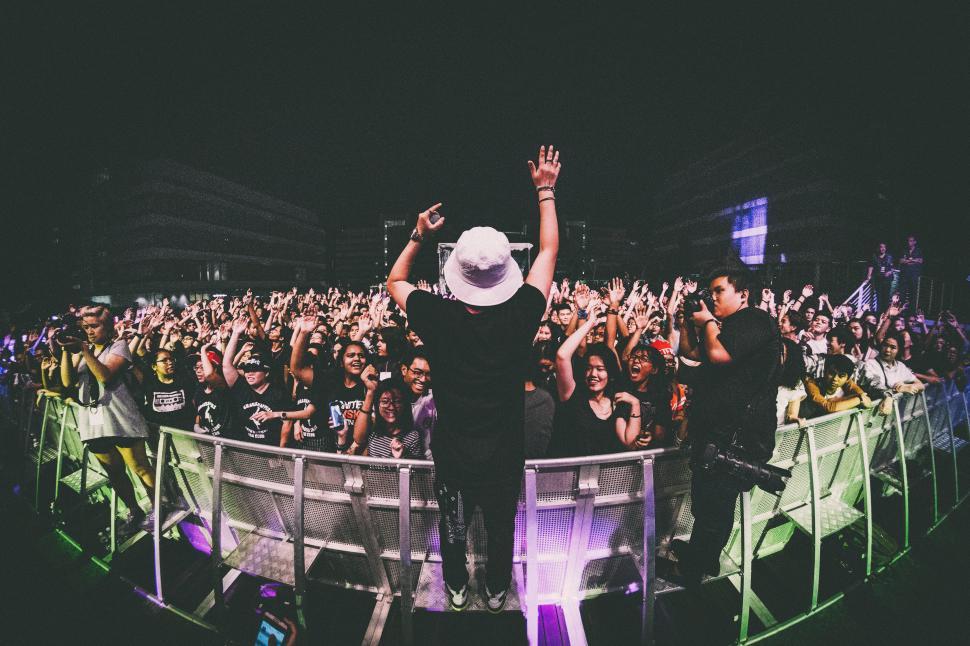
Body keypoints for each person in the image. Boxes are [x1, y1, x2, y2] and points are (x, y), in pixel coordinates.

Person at [385, 145, 560, 612]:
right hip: (504, 454)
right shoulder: (520, 315)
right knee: (502, 528)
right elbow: (548, 251)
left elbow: (395, 281)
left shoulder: (438, 317)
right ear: (505, 274)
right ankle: (499, 588)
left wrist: (418, 235)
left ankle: (458, 588)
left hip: (453, 453)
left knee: (453, 525)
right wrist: (545, 191)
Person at [669, 266, 781, 587]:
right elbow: (693, 354)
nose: (713, 297)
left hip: (736, 441)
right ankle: (696, 554)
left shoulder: (755, 321)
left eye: (719, 291)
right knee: (705, 502)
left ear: (743, 294)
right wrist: (686, 324)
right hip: (718, 435)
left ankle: (695, 570)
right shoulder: (728, 326)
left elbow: (717, 355)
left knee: (714, 507)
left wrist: (706, 322)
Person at [58, 305, 157, 533]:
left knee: (140, 468)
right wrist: (65, 350)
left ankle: (159, 508)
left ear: (108, 326)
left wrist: (84, 350)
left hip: (121, 419)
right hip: (93, 422)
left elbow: (105, 376)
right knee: (114, 472)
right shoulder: (85, 350)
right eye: (86, 327)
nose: (90, 331)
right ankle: (134, 510)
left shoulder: (118, 346)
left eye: (95, 326)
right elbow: (66, 382)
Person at [548, 313, 641, 457]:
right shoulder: (573, 395)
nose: (593, 374)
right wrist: (590, 321)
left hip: (607, 477)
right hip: (574, 476)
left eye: (600, 369)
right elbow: (562, 356)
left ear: (610, 374)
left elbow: (629, 442)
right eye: (588, 368)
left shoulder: (615, 402)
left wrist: (635, 404)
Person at [223, 319, 294, 447]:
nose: (249, 373)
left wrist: (281, 451)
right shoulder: (241, 387)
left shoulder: (278, 393)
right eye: (247, 370)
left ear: (266, 373)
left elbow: (287, 423)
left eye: (255, 370)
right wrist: (235, 334)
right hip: (246, 449)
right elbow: (226, 365)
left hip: (271, 450)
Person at [353, 379, 424, 459]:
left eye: (397, 402)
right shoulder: (372, 430)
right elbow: (358, 440)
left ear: (404, 405)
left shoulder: (412, 436)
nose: (391, 407)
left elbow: (416, 469)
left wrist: (403, 456)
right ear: (377, 405)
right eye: (385, 401)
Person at [861, 335, 925, 416]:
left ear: (898, 350)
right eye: (885, 345)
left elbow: (921, 385)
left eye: (893, 347)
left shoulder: (900, 366)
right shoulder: (870, 364)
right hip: (872, 413)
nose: (887, 350)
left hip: (892, 416)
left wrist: (906, 385)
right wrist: (897, 390)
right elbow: (875, 385)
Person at [801, 354, 873, 418]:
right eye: (831, 373)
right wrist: (859, 399)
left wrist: (860, 396)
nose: (835, 379)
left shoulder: (847, 384)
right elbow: (828, 407)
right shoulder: (812, 384)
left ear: (847, 379)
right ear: (825, 371)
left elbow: (865, 398)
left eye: (841, 376)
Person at [866, 242, 895, 314]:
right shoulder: (874, 256)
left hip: (887, 280)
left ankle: (885, 313)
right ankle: (879, 313)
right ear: (878, 248)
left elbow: (892, 268)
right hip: (878, 279)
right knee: (879, 297)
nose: (882, 249)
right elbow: (871, 266)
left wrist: (889, 272)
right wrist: (868, 276)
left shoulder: (889, 257)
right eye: (881, 247)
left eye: (884, 247)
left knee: (886, 297)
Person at [898, 235, 923, 309]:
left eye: (911, 241)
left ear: (914, 242)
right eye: (908, 241)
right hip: (904, 275)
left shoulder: (918, 250)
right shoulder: (904, 250)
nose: (909, 242)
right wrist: (913, 260)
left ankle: (911, 311)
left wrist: (908, 260)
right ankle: (901, 310)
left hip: (913, 275)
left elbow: (920, 260)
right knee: (902, 293)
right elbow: (901, 261)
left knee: (913, 293)